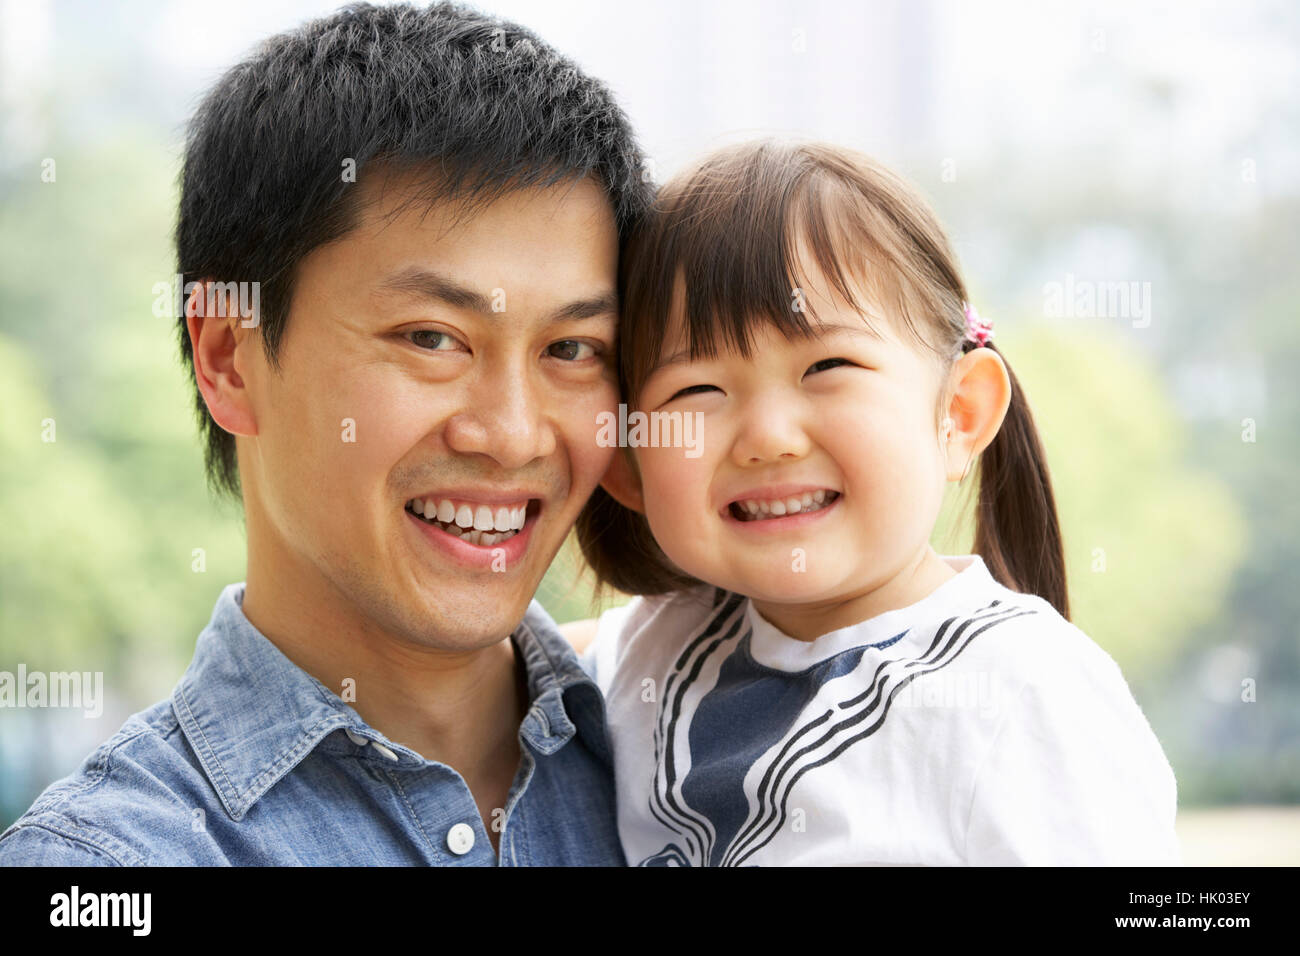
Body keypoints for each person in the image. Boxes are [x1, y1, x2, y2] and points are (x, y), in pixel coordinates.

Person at [0, 1, 652, 866]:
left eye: (571, 349)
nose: (512, 434)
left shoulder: (702, 758)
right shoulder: (111, 865)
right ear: (230, 356)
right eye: (431, 339)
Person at [566, 139, 1182, 866]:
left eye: (828, 367)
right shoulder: (655, 650)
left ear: (958, 414)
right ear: (627, 466)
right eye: (697, 391)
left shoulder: (1022, 691)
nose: (767, 437)